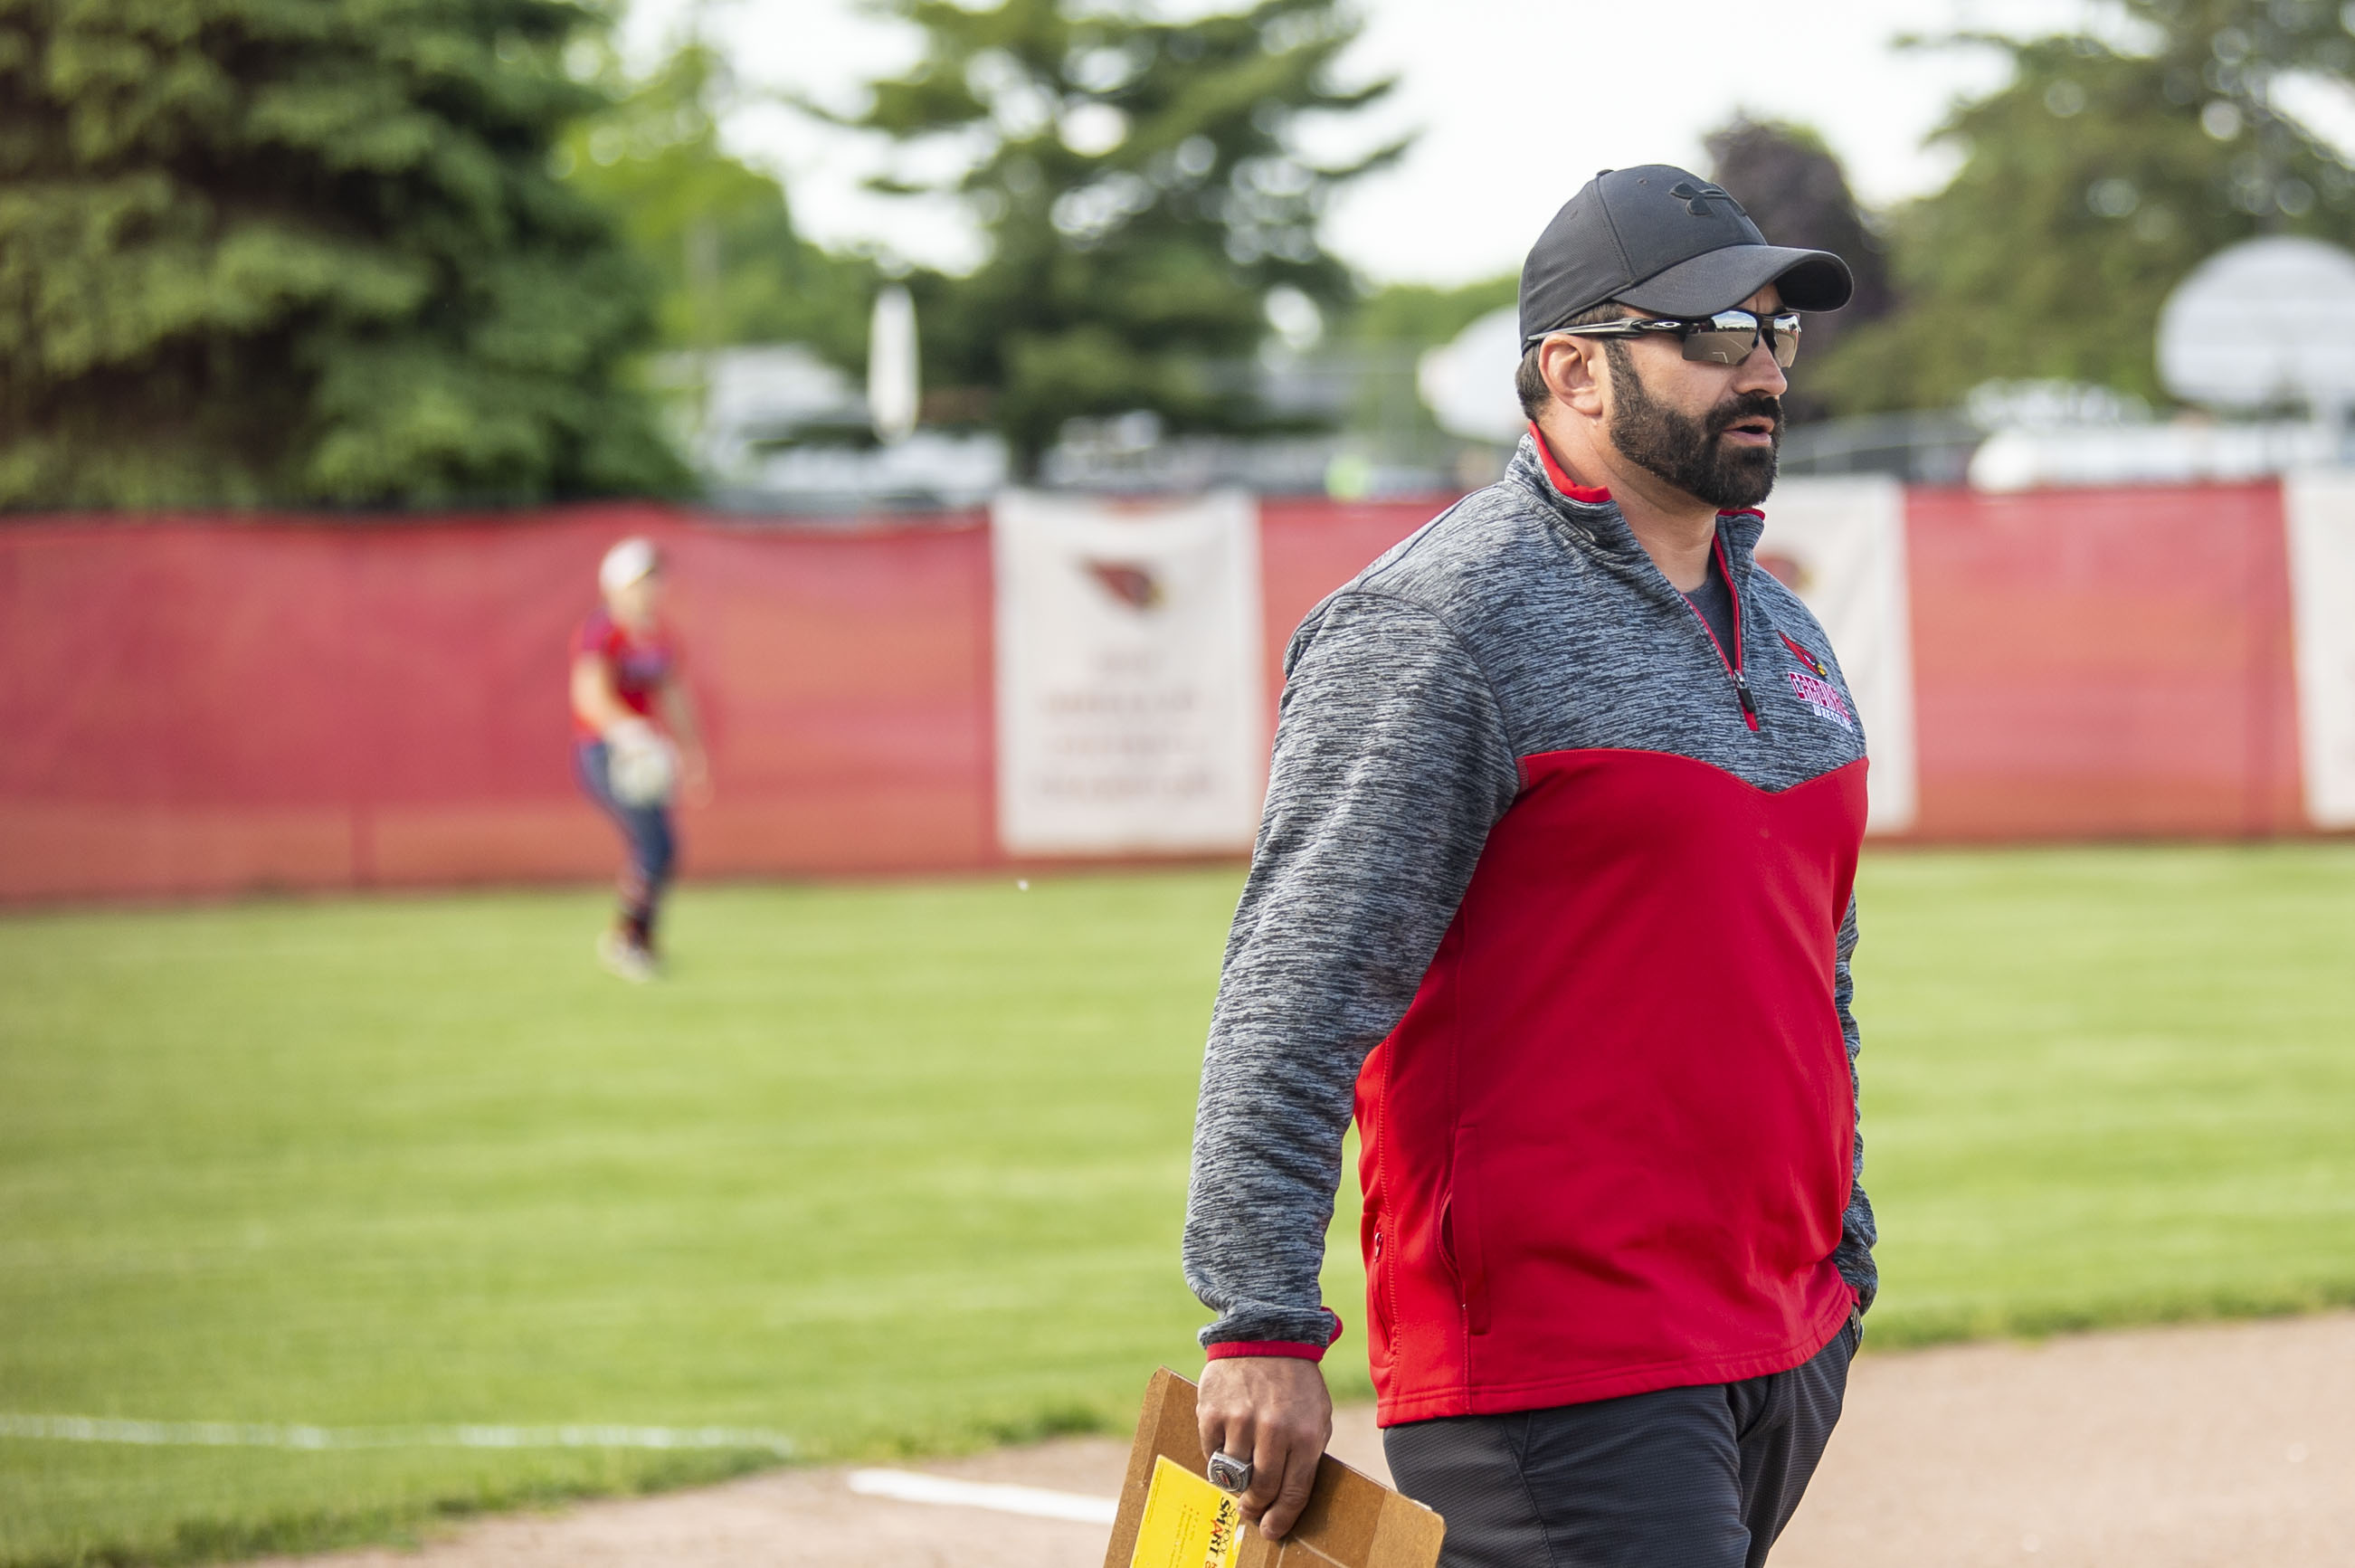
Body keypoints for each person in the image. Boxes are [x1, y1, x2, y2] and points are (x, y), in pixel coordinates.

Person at [1182, 166, 1876, 1568]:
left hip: (1780, 1328)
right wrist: (1258, 1321)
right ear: (1570, 370)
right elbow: (1294, 989)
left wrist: (1838, 1240)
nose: (1759, 370)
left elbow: (1816, 964)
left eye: (1773, 332)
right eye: (1710, 335)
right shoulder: (1434, 623)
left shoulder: (1787, 630)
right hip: (1557, 1357)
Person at [571, 537, 709, 982]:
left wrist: (692, 752)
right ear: (616, 586)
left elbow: (674, 694)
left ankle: (633, 939)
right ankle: (630, 942)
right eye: (641, 580)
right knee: (654, 845)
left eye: (655, 578)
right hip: (607, 752)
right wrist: (630, 731)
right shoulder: (602, 632)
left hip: (644, 752)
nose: (651, 588)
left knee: (660, 848)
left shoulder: (658, 636)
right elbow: (589, 696)